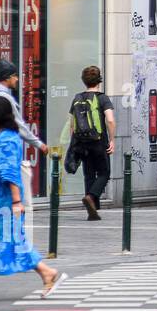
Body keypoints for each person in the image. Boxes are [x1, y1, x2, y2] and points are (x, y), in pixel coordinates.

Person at [0, 96, 69, 303]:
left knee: (11, 241)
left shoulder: (7, 139)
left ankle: (46, 273)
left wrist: (16, 202)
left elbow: (9, 172)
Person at [66, 65, 117, 222]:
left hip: (82, 141)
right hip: (98, 140)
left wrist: (74, 143)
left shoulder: (77, 98)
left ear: (84, 81)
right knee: (104, 172)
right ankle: (91, 197)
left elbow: (72, 124)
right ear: (99, 80)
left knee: (89, 174)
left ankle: (92, 211)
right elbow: (109, 119)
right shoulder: (102, 98)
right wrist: (112, 139)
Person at [0, 58, 46, 156]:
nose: (17, 79)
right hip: (4, 152)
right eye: (14, 76)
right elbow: (20, 126)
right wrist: (39, 144)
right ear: (7, 78)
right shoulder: (6, 99)